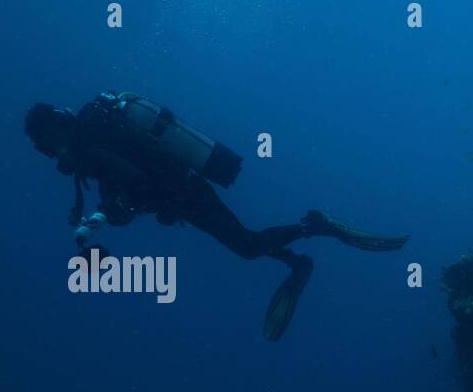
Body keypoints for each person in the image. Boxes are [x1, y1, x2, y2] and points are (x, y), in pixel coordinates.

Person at [24, 92, 408, 340]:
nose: (53, 156)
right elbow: (131, 185)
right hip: (184, 193)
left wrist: (101, 217)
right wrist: (116, 209)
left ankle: (314, 229)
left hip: (186, 195)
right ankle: (296, 260)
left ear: (55, 130)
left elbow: (133, 184)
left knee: (244, 245)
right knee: (243, 240)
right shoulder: (97, 124)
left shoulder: (91, 146)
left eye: (47, 147)